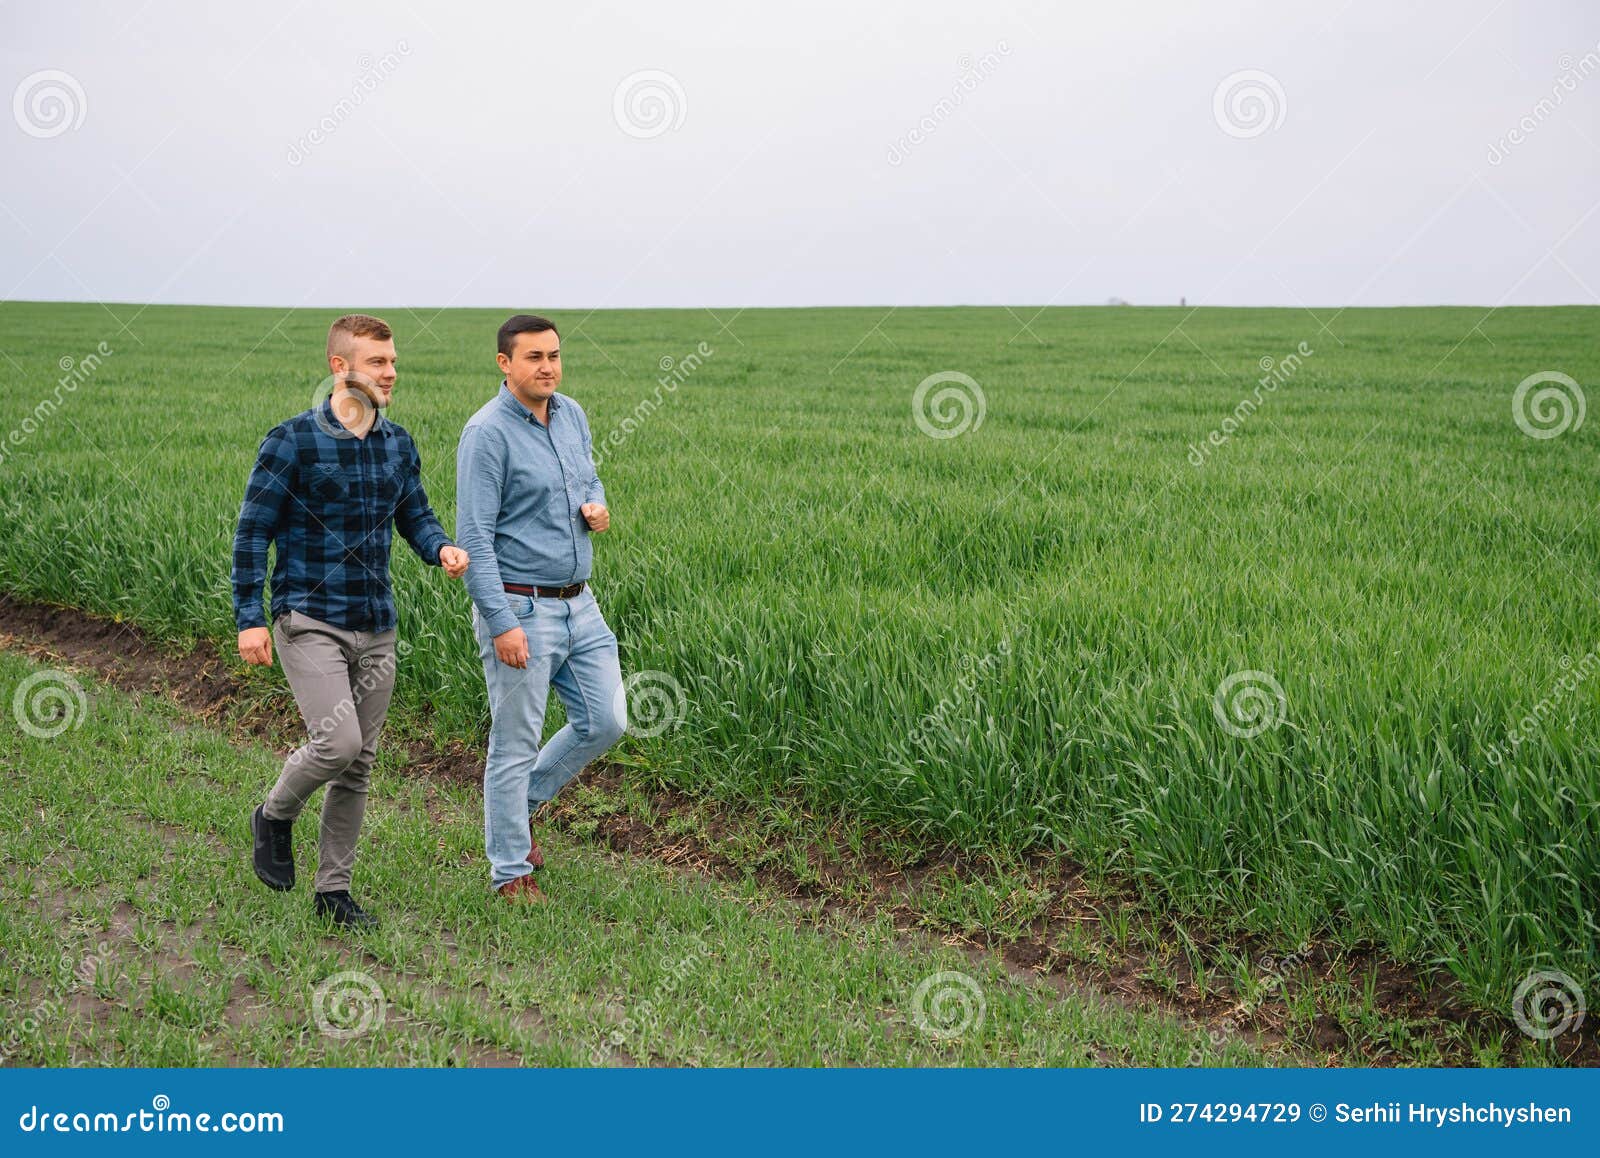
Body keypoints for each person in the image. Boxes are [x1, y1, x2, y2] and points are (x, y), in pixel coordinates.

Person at [232, 313, 469, 929]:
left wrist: (439, 546)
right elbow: (253, 532)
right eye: (378, 362)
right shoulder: (292, 441)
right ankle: (275, 814)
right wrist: (248, 617)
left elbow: (414, 513)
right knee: (337, 744)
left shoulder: (397, 442)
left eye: (393, 362)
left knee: (359, 761)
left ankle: (332, 892)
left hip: (377, 621)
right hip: (308, 617)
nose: (391, 372)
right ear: (340, 368)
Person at [455, 313, 626, 904]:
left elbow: (588, 480)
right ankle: (510, 870)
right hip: (522, 608)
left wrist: (597, 507)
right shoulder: (486, 435)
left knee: (607, 721)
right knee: (515, 742)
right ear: (505, 364)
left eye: (554, 355)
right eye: (534, 357)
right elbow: (474, 538)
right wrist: (501, 623)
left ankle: (519, 809)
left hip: (582, 605)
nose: (548, 367)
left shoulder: (571, 413)